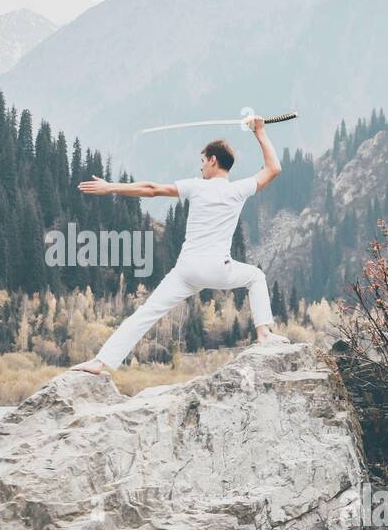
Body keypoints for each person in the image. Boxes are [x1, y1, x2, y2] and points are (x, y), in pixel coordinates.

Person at [70, 114, 290, 374]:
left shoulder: (196, 187)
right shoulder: (239, 189)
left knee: (146, 312)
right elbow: (274, 168)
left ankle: (101, 362)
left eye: (202, 162)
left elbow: (151, 189)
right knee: (255, 277)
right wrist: (260, 133)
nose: (200, 168)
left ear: (213, 160)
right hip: (219, 269)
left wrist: (111, 187)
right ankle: (264, 333)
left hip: (187, 270)